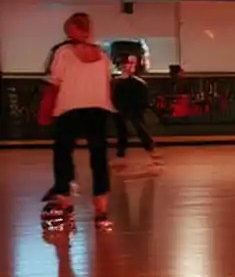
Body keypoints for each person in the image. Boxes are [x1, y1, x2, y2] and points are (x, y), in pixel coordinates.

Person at [39, 13, 115, 233]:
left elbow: (54, 84)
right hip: (98, 109)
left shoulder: (63, 52)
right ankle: (101, 209)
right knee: (98, 157)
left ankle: (64, 199)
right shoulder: (102, 54)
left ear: (74, 30)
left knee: (62, 152)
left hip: (69, 109)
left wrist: (46, 111)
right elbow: (107, 83)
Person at [111, 53, 159, 170]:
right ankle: (121, 154)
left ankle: (150, 150)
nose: (126, 67)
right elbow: (113, 95)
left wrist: (140, 107)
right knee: (122, 131)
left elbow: (143, 97)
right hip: (120, 108)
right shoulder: (116, 82)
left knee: (140, 128)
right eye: (124, 64)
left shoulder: (138, 83)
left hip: (134, 109)